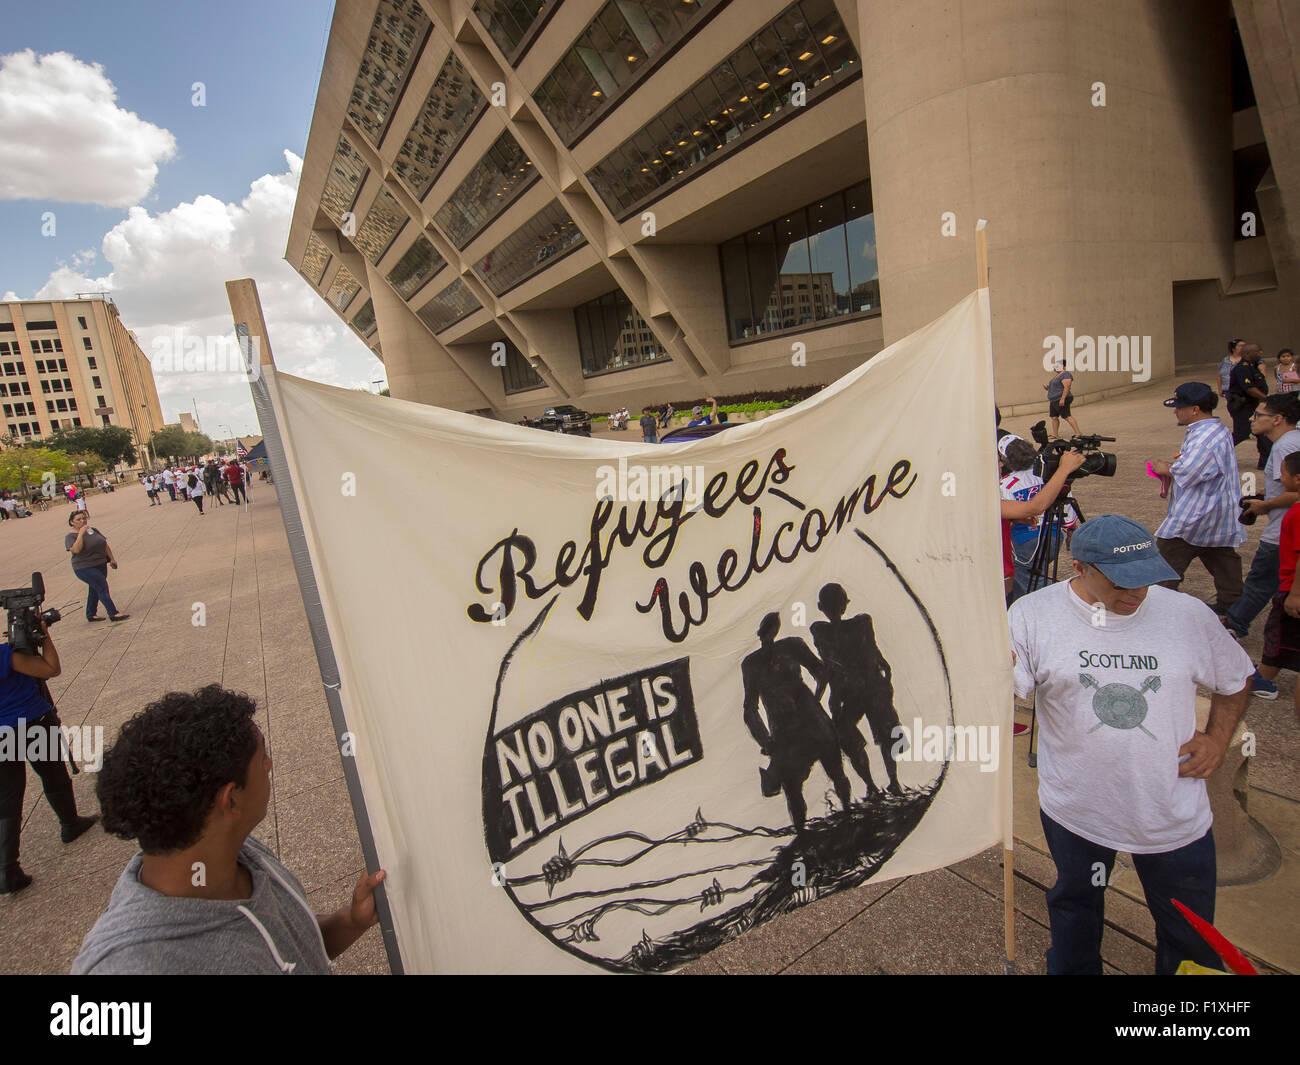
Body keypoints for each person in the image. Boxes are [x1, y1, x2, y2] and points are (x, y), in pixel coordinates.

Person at [1009, 514, 1253, 975]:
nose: (1137, 594)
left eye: (1146, 578)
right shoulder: (1032, 615)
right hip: (1077, 812)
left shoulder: (1187, 615)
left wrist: (1218, 740)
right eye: (1122, 582)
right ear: (1079, 568)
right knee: (1076, 913)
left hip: (1172, 817)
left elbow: (1237, 677)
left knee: (1192, 938)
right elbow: (1006, 686)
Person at [72, 685, 387, 973]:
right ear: (230, 800)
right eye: (262, 756)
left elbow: (285, 952)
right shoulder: (136, 966)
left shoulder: (240, 853)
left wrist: (350, 921)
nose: (269, 765)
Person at [1, 618, 99, 893]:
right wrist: (43, 637)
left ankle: (7, 870)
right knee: (53, 773)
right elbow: (51, 669)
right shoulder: (6, 655)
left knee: (8, 795)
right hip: (30, 722)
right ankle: (70, 824)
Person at [740, 613, 851, 831]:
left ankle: (848, 813)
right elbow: (750, 709)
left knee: (836, 771)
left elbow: (820, 671)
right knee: (792, 788)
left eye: (770, 630)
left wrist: (818, 693)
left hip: (812, 722)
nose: (768, 636)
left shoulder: (792, 646)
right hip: (785, 733)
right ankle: (802, 833)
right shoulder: (752, 664)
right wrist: (765, 740)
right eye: (765, 631)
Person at [1149, 383, 1244, 614]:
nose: (1176, 411)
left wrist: (1165, 468)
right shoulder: (1213, 430)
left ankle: (1159, 606)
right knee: (1222, 558)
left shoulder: (1205, 437)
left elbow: (1190, 471)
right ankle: (1233, 606)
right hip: (1215, 511)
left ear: (1195, 409)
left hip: (1197, 513)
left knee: (1166, 560)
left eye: (1180, 407)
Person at [1222, 394, 1300, 652]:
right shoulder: (1290, 442)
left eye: (1258, 415)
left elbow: (1296, 492)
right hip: (1284, 529)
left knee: (1259, 583)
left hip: (1281, 534)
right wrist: (1264, 498)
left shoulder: (1284, 447)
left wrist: (1264, 506)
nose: (1251, 419)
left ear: (1277, 419)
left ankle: (1233, 627)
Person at [810, 583, 902, 797]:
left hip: (867, 689)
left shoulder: (859, 624)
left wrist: (883, 674)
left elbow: (872, 654)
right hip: (856, 692)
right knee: (852, 734)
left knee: (884, 734)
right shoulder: (825, 630)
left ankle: (889, 782)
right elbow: (832, 665)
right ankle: (876, 784)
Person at [999, 436, 1085, 603]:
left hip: (1023, 544)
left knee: (1028, 588)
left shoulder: (1005, 484)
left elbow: (1029, 509)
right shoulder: (1051, 478)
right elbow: (1067, 515)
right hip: (1053, 538)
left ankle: (1039, 609)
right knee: (1039, 575)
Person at [1250, 451, 1300, 719]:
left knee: (1278, 634)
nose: (1281, 478)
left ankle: (1263, 678)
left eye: (1284, 473)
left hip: (1292, 589)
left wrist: (1295, 593)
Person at [65, 511, 130, 623]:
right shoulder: (70, 536)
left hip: (100, 564)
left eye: (84, 518)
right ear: (72, 522)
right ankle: (113, 613)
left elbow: (104, 544)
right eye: (78, 519)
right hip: (84, 567)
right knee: (102, 587)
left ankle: (91, 614)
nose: (83, 521)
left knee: (94, 589)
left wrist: (112, 559)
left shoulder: (93, 530)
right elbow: (76, 550)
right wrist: (80, 534)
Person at [1228, 343, 1270, 468]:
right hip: (1242, 406)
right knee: (1242, 433)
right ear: (1247, 354)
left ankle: (1265, 462)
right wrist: (1267, 399)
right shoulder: (1242, 368)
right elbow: (1249, 389)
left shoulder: (1252, 367)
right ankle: (1214, 450)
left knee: (1263, 433)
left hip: (1251, 405)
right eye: (1257, 351)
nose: (1260, 353)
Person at [1045, 360, 1080, 438]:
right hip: (1054, 400)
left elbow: (1066, 387)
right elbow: (1057, 387)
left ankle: (1078, 433)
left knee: (1067, 416)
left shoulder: (1066, 374)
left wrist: (1062, 399)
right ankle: (1055, 434)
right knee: (1054, 417)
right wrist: (1048, 388)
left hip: (1061, 398)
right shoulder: (1057, 376)